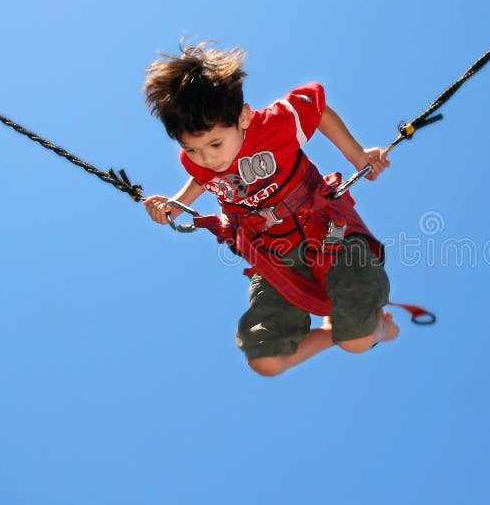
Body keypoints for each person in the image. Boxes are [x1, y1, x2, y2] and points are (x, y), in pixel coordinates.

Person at [142, 42, 398, 376]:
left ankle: (378, 327)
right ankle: (338, 330)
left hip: (327, 233)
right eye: (192, 149)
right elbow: (203, 177)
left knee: (359, 341)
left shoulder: (272, 125)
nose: (208, 158)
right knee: (265, 361)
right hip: (275, 256)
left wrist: (357, 156)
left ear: (243, 117)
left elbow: (316, 109)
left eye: (215, 144)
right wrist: (176, 206)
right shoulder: (197, 161)